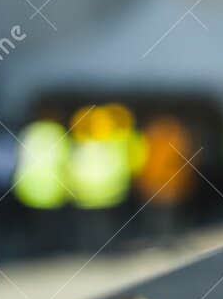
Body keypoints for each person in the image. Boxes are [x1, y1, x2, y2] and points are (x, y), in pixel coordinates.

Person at [65, 104, 134, 254]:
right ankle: (103, 249)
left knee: (89, 225)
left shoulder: (81, 147)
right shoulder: (111, 146)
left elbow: (72, 168)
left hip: (86, 194)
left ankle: (89, 249)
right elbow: (120, 169)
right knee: (103, 224)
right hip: (106, 194)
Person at [13, 115, 72, 256]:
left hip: (30, 187)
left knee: (35, 224)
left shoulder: (30, 132)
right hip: (51, 188)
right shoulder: (56, 132)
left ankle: (37, 250)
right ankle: (52, 249)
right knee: (51, 224)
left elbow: (20, 158)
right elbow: (64, 161)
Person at [134, 114, 197, 245]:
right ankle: (163, 238)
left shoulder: (153, 138)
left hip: (164, 182)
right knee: (161, 213)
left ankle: (165, 238)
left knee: (164, 213)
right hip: (161, 182)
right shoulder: (176, 137)